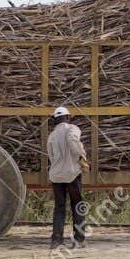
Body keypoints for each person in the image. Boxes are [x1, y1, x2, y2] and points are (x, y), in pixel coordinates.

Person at [46, 105, 89, 248]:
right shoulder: (72, 129)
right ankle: (79, 239)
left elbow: (51, 156)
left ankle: (56, 240)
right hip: (72, 174)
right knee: (77, 205)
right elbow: (72, 141)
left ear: (55, 120)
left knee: (59, 207)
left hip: (56, 175)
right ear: (67, 117)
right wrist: (82, 159)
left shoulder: (51, 136)